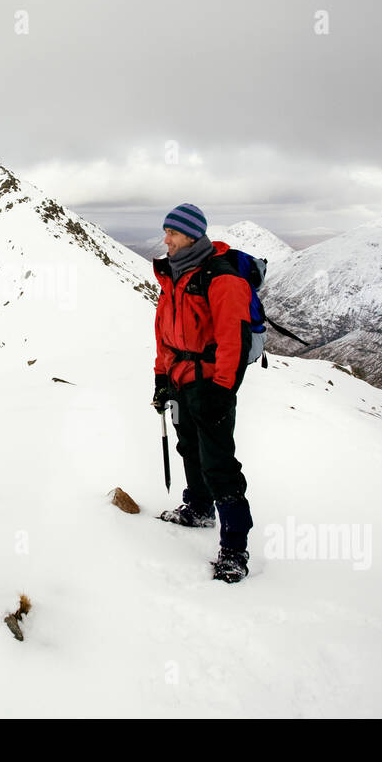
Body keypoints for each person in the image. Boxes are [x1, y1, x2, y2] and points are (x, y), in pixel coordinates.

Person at [150, 203, 254, 583]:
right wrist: (162, 378)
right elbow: (164, 334)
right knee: (189, 448)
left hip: (210, 384)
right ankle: (198, 508)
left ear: (192, 236)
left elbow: (234, 342)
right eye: (166, 232)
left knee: (219, 463)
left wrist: (222, 392)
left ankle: (234, 548)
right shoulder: (173, 277)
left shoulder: (222, 279)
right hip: (180, 379)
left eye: (173, 234)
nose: (167, 240)